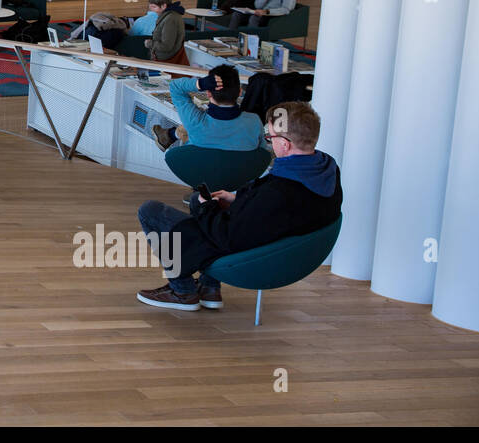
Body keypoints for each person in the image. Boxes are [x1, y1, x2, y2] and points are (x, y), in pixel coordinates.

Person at [135, 100, 341, 311]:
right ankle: (209, 288)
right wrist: (238, 199)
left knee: (152, 211)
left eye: (270, 138)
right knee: (206, 201)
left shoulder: (280, 192)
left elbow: (228, 236)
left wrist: (207, 208)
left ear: (285, 144)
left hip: (248, 255)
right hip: (278, 245)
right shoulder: (326, 169)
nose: (269, 142)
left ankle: (182, 290)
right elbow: (271, 208)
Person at [150, 64, 271, 152]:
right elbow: (261, 152)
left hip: (200, 175)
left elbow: (176, 87)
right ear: (240, 92)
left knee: (189, 131)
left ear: (208, 93)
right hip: (240, 178)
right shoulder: (254, 121)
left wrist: (199, 84)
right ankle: (170, 135)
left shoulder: (195, 121)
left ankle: (170, 135)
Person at [145, 0, 188, 66]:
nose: (151, 10)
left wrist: (149, 43)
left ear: (164, 6)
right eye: (150, 7)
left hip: (166, 62)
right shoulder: (167, 16)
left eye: (154, 7)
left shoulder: (170, 19)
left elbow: (166, 46)